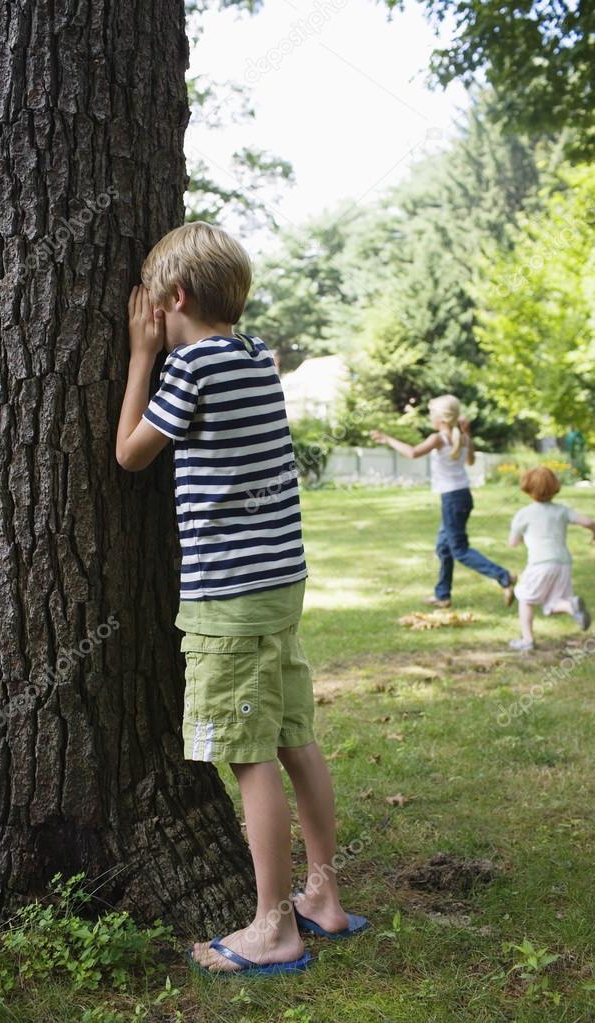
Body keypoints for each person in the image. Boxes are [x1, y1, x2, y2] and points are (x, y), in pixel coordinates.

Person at [115, 222, 367, 977]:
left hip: (230, 596)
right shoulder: (256, 356)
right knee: (293, 735)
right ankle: (322, 895)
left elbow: (129, 454)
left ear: (175, 299)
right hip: (280, 586)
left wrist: (140, 357)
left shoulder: (188, 370)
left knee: (251, 754)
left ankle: (273, 926)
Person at [371, 395, 516, 608]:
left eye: (431, 413)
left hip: (452, 499)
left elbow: (412, 453)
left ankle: (504, 577)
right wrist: (468, 433)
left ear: (440, 418)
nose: (429, 417)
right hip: (462, 496)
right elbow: (471, 461)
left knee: (459, 550)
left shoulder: (438, 438)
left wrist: (388, 439)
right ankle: (443, 595)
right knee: (443, 548)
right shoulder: (462, 437)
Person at [507, 466, 595, 651]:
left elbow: (513, 542)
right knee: (553, 603)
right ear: (555, 486)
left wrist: (521, 537)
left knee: (525, 597)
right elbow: (588, 522)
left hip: (540, 563)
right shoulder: (562, 510)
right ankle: (571, 606)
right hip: (563, 563)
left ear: (527, 488)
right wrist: (593, 531)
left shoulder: (524, 514)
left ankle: (527, 640)